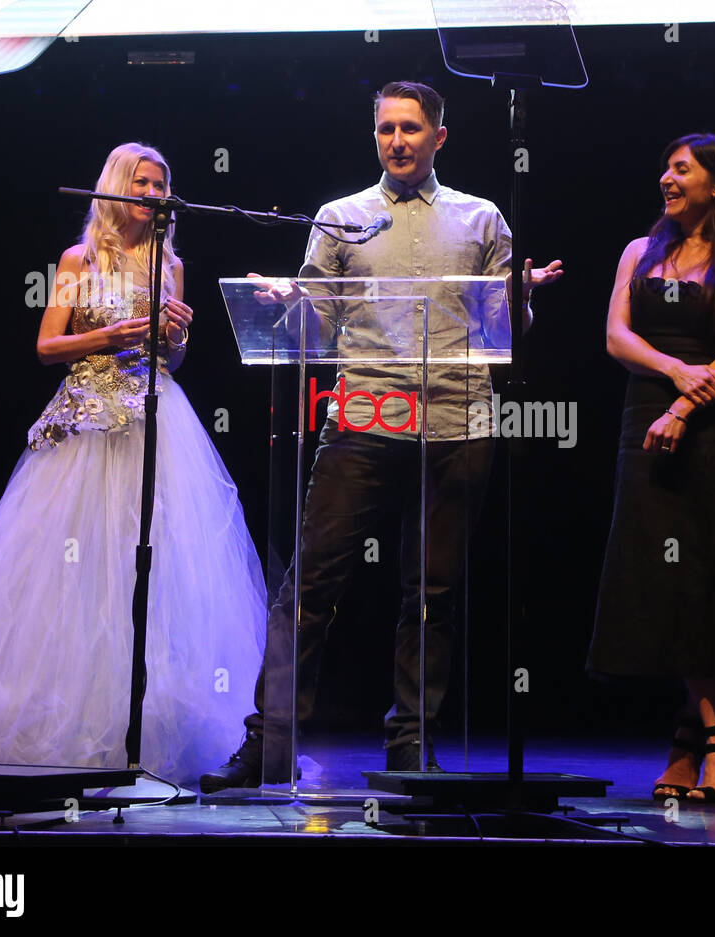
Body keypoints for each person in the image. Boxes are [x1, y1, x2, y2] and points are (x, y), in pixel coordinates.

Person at [200, 81, 561, 792]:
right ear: (375, 137)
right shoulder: (341, 217)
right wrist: (282, 304)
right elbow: (313, 330)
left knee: (431, 595)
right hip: (364, 419)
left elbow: (504, 337)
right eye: (386, 129)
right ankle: (270, 742)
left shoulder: (482, 218)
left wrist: (519, 300)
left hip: (456, 422)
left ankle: (411, 748)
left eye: (412, 128)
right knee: (307, 588)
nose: (397, 140)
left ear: (439, 138)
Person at [0, 143, 266, 784]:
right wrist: (109, 336)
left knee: (148, 561)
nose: (153, 192)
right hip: (86, 424)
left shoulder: (169, 265)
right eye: (142, 181)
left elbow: (174, 360)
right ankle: (52, 723)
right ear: (116, 189)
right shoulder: (79, 260)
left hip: (153, 418)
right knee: (70, 564)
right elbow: (46, 345)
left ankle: (143, 726)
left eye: (162, 183)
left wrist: (177, 336)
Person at [587, 133, 715, 803]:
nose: (665, 179)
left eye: (681, 169)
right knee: (663, 582)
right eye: (664, 167)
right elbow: (616, 337)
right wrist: (672, 377)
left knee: (713, 579)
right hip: (646, 419)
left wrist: (684, 408)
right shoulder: (640, 252)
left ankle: (699, 739)